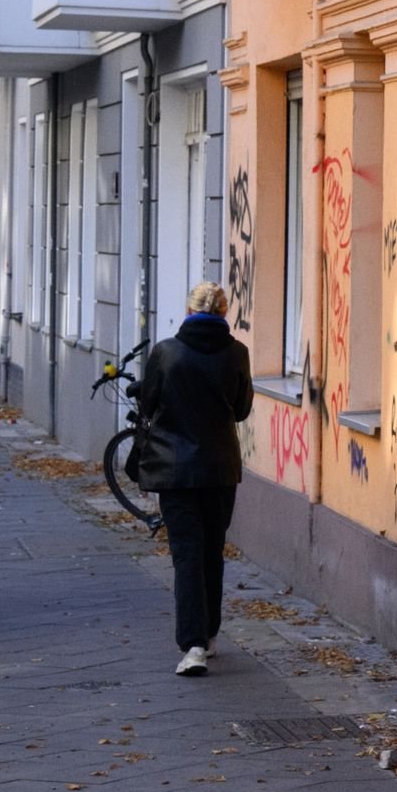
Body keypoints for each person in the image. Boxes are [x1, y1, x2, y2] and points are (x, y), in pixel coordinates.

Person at [132, 282, 253, 676]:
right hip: (219, 470)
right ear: (224, 312)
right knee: (211, 552)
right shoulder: (237, 353)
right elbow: (241, 410)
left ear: (188, 311)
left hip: (175, 471)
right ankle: (211, 634)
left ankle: (194, 646)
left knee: (186, 555)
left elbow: (148, 402)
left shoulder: (166, 353)